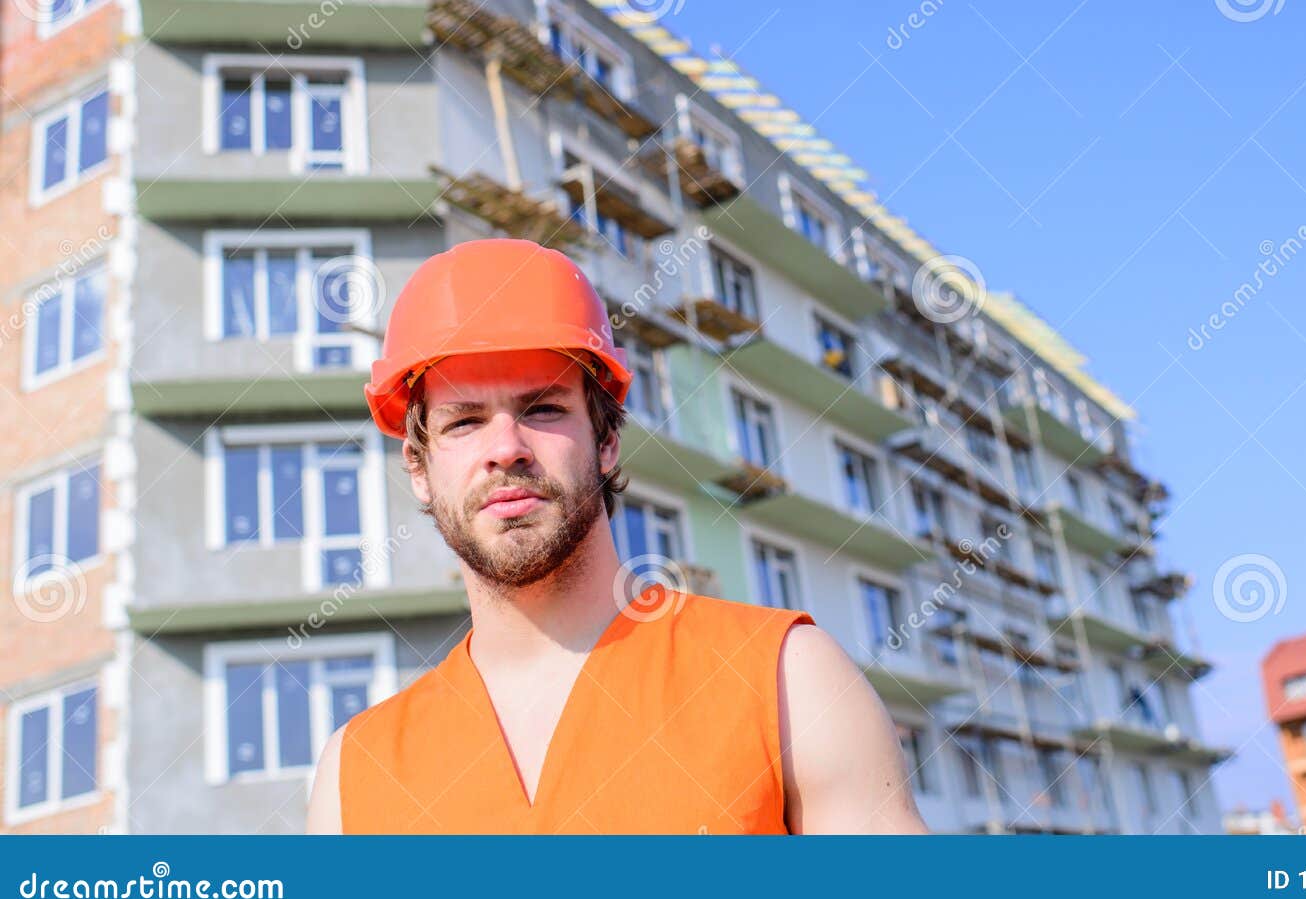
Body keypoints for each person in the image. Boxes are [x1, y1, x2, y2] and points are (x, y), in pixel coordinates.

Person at [305, 238, 928, 834]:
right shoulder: (355, 775)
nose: (505, 449)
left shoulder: (787, 681)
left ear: (606, 442)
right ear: (418, 468)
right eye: (464, 421)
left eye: (543, 409)